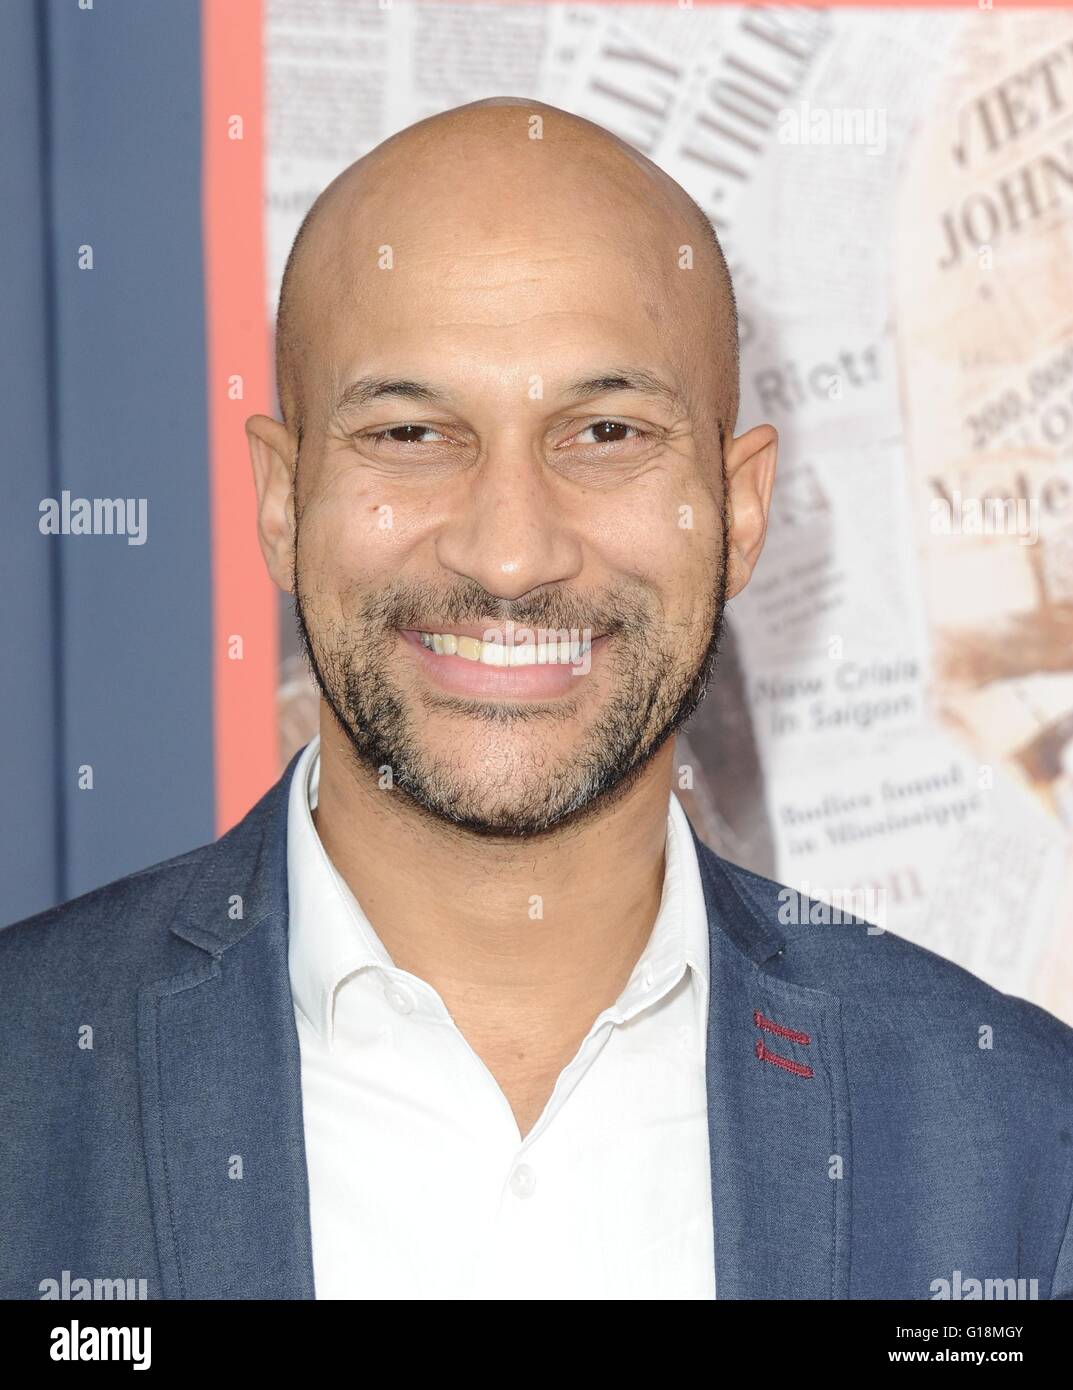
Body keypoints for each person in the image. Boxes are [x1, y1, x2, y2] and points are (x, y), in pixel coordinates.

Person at [2, 97, 1071, 1302]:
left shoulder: (1022, 1147)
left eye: (604, 431)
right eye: (410, 433)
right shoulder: (24, 1085)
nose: (508, 555)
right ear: (283, 502)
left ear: (742, 507)